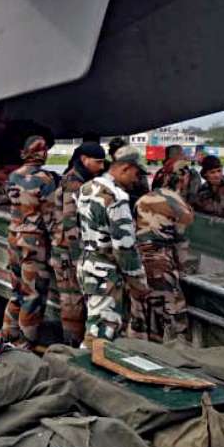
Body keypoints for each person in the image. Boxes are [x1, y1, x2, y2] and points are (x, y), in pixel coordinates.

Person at [77, 146, 150, 347]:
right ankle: (85, 370)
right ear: (125, 168)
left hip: (87, 263)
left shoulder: (86, 189)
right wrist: (138, 282)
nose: (137, 180)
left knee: (94, 321)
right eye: (136, 173)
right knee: (103, 330)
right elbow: (125, 248)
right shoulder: (117, 199)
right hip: (106, 272)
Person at [1, 136, 58, 347]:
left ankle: (7, 333)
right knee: (33, 293)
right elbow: (51, 214)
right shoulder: (45, 179)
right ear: (41, 153)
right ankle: (26, 341)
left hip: (13, 236)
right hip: (34, 242)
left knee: (16, 291)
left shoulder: (13, 175)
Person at [50, 142, 106, 347]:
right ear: (84, 160)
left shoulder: (84, 179)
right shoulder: (73, 181)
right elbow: (69, 222)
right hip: (68, 252)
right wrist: (78, 259)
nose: (101, 167)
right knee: (72, 303)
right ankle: (71, 346)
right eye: (98, 162)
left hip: (73, 250)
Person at [129, 175, 194, 343]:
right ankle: (178, 346)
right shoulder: (176, 201)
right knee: (174, 309)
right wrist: (182, 269)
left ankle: (139, 347)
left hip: (138, 257)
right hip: (161, 260)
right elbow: (181, 238)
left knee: (142, 308)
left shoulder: (142, 200)